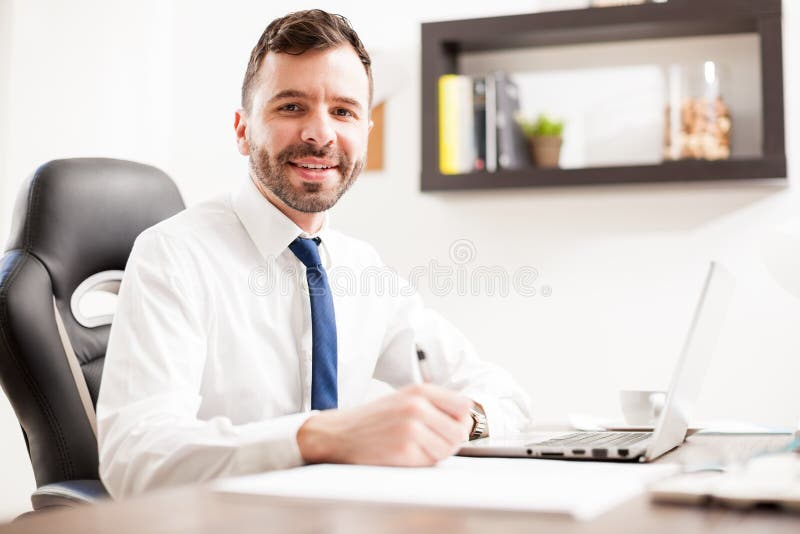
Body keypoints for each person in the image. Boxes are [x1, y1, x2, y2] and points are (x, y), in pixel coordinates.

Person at [97, 9, 531, 500]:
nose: (320, 134)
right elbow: (133, 455)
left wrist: (459, 422)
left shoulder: (362, 269)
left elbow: (502, 393)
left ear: (365, 131)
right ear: (242, 131)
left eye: (343, 111)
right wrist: (320, 436)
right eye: (291, 107)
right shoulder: (173, 255)